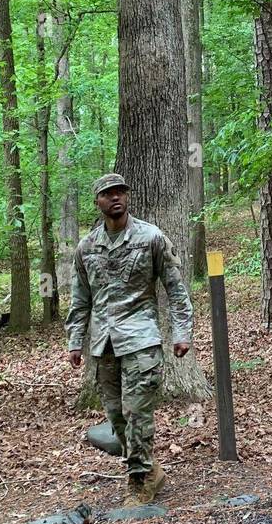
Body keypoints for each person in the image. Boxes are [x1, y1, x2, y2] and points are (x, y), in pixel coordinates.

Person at [65, 173, 193, 503]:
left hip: (141, 339)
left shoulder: (151, 237)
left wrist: (181, 333)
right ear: (98, 201)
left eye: (120, 191)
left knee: (138, 412)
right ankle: (150, 470)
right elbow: (80, 300)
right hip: (104, 344)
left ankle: (139, 483)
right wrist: (75, 340)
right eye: (108, 194)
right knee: (117, 417)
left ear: (127, 196)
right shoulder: (87, 247)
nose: (115, 197)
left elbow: (176, 290)